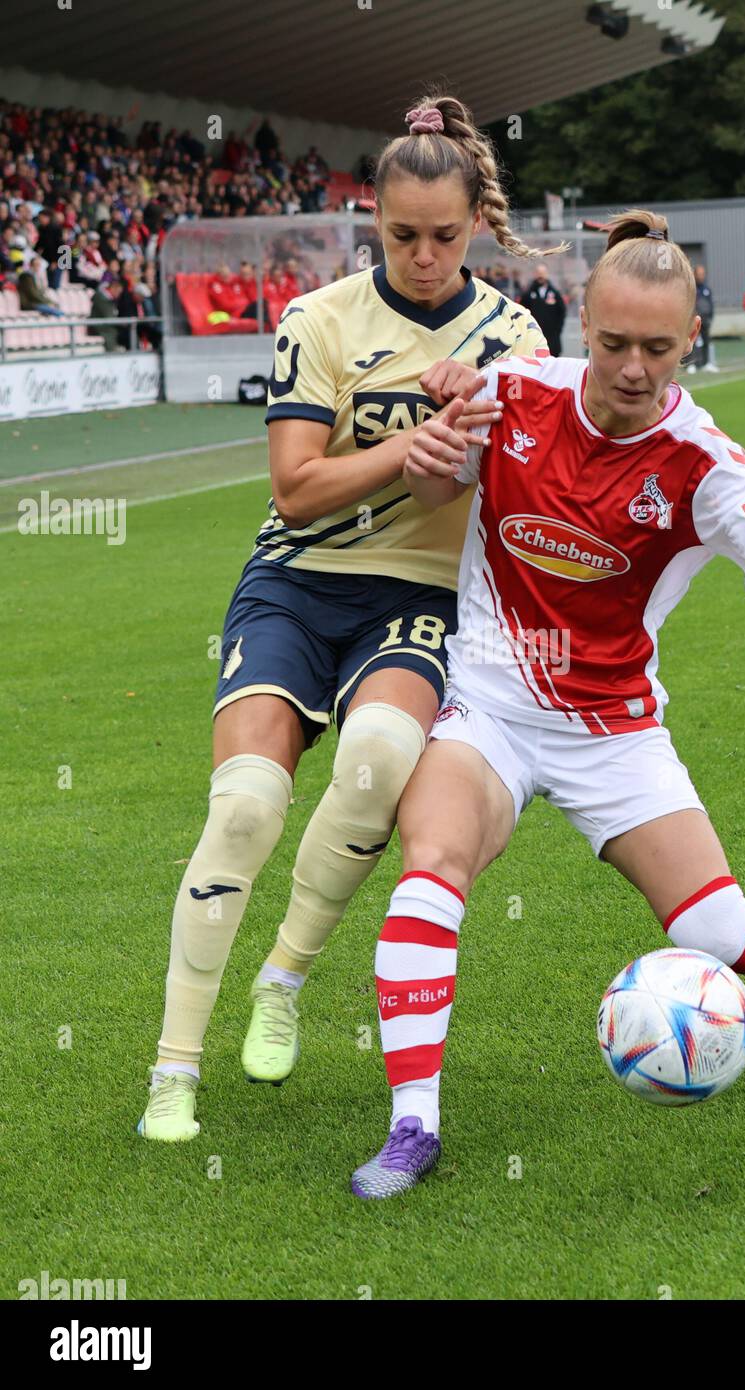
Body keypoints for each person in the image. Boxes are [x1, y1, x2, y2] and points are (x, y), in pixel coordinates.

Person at [348, 209, 745, 1201]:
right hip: (487, 705)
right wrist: (433, 454)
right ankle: (414, 1126)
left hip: (611, 728)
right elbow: (436, 491)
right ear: (581, 320)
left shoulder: (705, 462)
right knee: (431, 863)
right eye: (612, 342)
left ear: (690, 339)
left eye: (657, 347)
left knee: (713, 929)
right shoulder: (511, 395)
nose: (630, 366)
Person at [137, 92, 557, 1143]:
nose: (423, 255)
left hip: (418, 595)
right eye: (402, 235)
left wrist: (494, 417)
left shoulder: (514, 334)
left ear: (473, 226)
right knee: (243, 805)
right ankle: (173, 1066)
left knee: (375, 756)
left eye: (445, 237)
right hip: (296, 581)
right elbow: (294, 489)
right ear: (373, 219)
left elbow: (539, 487)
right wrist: (410, 444)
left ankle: (283, 977)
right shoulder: (316, 320)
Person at [519, 262, 567, 355]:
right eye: (538, 272)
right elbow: (522, 312)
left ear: (547, 274)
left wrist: (557, 330)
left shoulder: (554, 293)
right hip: (533, 337)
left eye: (543, 272)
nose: (540, 275)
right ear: (534, 274)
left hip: (552, 338)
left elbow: (562, 311)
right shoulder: (528, 294)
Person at [686, 262, 717, 372]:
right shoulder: (691, 289)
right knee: (692, 341)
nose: (701, 276)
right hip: (694, 320)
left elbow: (711, 304)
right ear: (694, 274)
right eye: (699, 274)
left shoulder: (706, 289)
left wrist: (710, 316)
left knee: (706, 341)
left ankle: (706, 363)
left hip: (705, 320)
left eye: (702, 274)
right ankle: (691, 364)